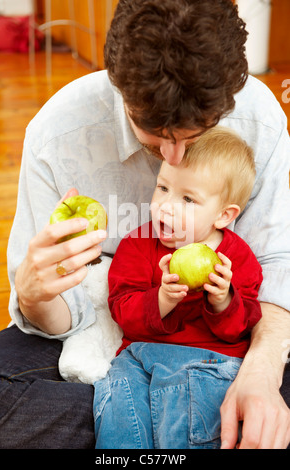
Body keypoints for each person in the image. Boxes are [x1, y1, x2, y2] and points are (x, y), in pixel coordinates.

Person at [0, 0, 289, 449]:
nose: (172, 160)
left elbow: (271, 271)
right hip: (117, 349)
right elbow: (81, 313)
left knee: (267, 410)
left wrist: (262, 377)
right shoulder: (57, 133)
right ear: (118, 86)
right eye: (154, 134)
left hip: (223, 355)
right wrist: (34, 296)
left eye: (194, 135)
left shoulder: (258, 119)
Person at [93, 126, 263, 449]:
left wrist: (222, 299)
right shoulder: (138, 245)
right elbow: (121, 307)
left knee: (195, 421)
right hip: (137, 360)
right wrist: (159, 300)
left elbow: (244, 326)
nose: (166, 206)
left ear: (223, 215)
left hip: (207, 362)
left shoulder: (236, 259)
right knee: (116, 403)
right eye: (163, 187)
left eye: (187, 198)